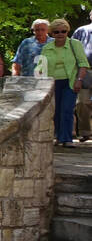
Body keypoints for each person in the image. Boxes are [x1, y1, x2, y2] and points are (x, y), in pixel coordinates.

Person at [41, 19, 89, 148]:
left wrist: (79, 80)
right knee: (56, 111)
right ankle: (58, 136)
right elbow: (41, 67)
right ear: (52, 33)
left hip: (71, 81)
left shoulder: (75, 44)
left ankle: (67, 138)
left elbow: (83, 64)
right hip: (52, 83)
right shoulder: (47, 48)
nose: (60, 34)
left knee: (67, 110)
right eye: (56, 32)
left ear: (67, 31)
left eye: (63, 31)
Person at [72, 16, 92, 141]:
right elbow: (72, 49)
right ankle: (85, 132)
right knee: (82, 102)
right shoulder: (81, 31)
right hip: (85, 70)